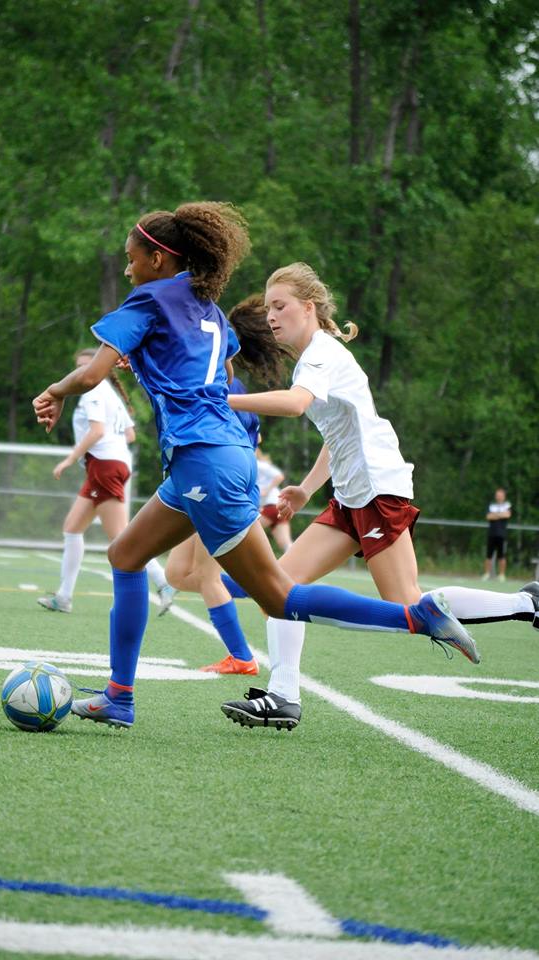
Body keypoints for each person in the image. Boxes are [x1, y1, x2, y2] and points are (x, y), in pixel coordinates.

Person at [32, 203, 480, 734]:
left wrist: (55, 391)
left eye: (131, 259)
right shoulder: (210, 310)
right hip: (218, 460)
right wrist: (147, 359)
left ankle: (416, 616)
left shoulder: (148, 298)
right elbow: (209, 372)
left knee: (279, 596)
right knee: (125, 555)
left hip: (205, 465)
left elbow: (90, 377)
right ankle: (119, 697)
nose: (127, 269)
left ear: (157, 258)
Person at [221, 262, 539, 728]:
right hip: (351, 496)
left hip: (376, 490)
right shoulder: (316, 355)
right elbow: (340, 431)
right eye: (268, 306)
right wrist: (304, 489)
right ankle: (283, 695)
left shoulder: (320, 355)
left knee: (407, 601)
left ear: (307, 309)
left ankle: (527, 604)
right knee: (280, 587)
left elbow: (294, 405)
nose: (271, 316)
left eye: (280, 305)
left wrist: (220, 400)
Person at [164, 294, 288, 676]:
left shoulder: (223, 388)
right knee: (176, 573)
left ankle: (243, 656)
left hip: (218, 484)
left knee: (205, 575)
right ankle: (261, 590)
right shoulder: (231, 386)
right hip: (204, 483)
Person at [36, 348, 175, 616]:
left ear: (101, 367)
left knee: (122, 539)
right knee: (72, 528)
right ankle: (64, 596)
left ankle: (163, 582)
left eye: (85, 366)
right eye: (77, 366)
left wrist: (69, 459)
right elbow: (131, 434)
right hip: (111, 465)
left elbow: (98, 431)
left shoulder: (94, 391)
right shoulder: (109, 394)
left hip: (105, 467)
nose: (79, 372)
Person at [256, 441, 293, 553]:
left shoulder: (258, 465)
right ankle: (302, 566)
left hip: (272, 506)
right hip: (277, 507)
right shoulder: (255, 466)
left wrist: (266, 490)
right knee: (287, 545)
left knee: (245, 533)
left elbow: (279, 476)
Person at [482, 487, 512, 582]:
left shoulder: (507, 505)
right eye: (497, 495)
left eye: (500, 495)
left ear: (504, 496)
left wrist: (495, 515)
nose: (499, 497)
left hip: (502, 535)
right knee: (488, 555)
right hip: (491, 534)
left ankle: (502, 575)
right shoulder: (491, 505)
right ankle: (487, 574)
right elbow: (488, 516)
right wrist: (500, 514)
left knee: (501, 556)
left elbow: (507, 515)